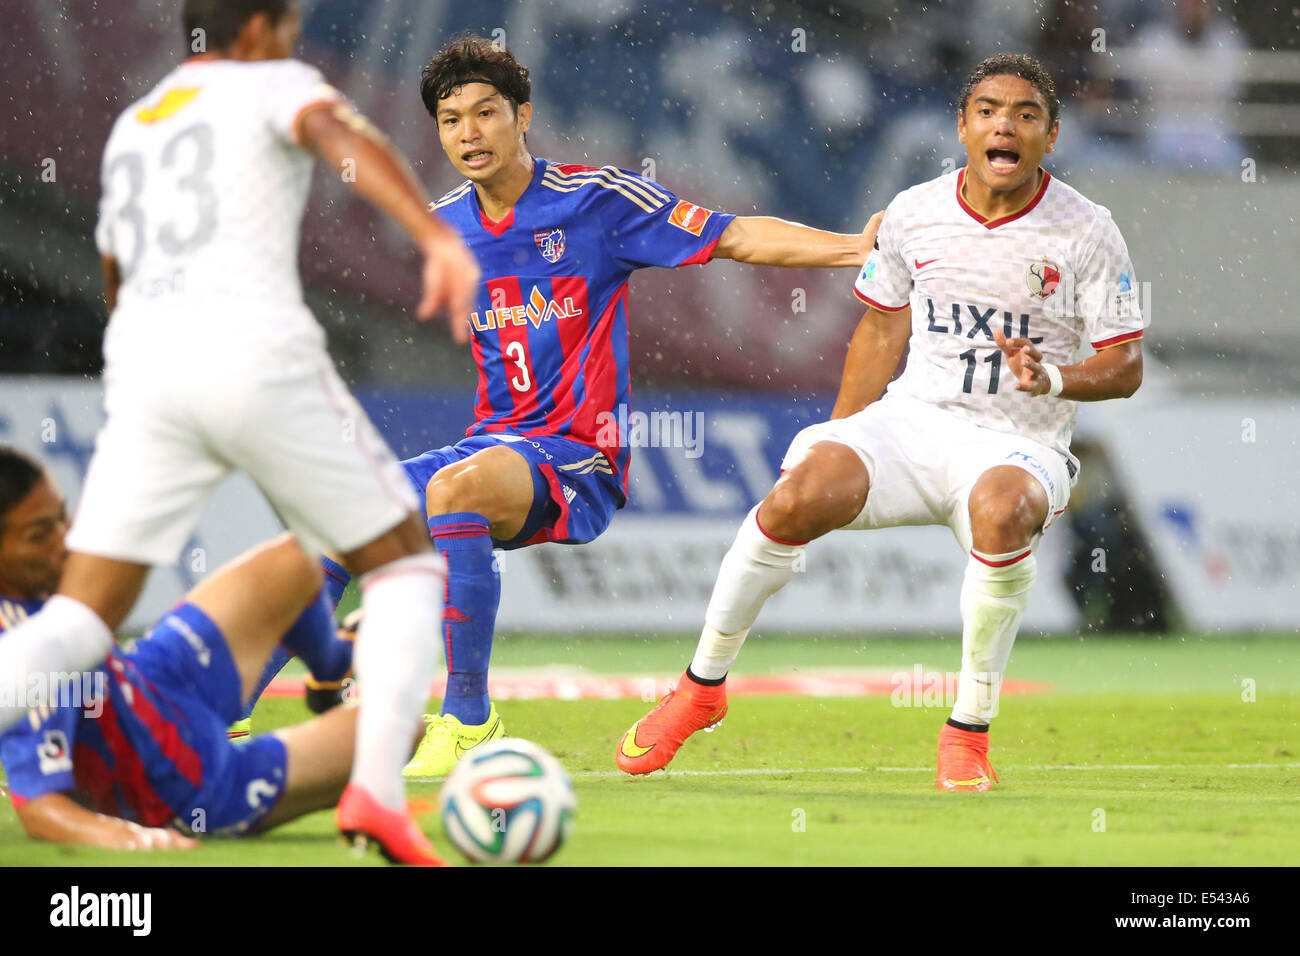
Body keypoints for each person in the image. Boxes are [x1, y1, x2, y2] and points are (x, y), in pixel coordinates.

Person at [292, 35, 884, 778]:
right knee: (333, 511)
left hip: (579, 456)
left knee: (454, 491)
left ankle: (469, 720)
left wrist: (847, 249)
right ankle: (240, 718)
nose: (469, 134)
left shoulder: (595, 202)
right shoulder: (441, 224)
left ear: (524, 116)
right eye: (450, 120)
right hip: (493, 446)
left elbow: (731, 236)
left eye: (486, 113)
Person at [0, 0, 479, 864]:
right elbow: (340, 139)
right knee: (404, 562)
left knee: (77, 622)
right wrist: (433, 235)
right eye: (290, 25)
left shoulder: (137, 123)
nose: (296, 41)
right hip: (254, 352)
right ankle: (375, 794)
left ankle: (347, 715)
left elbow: (116, 269)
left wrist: (154, 361)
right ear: (258, 28)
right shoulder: (272, 83)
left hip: (146, 368)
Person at [616, 53, 1145, 790]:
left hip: (1020, 444)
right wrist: (840, 441)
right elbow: (879, 332)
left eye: (1026, 114)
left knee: (1000, 514)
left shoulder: (1087, 230)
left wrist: (1052, 375)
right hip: (912, 423)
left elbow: (1125, 367)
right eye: (989, 109)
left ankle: (967, 730)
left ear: (1050, 137)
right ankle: (700, 690)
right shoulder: (914, 211)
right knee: (797, 495)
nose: (1005, 124)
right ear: (963, 126)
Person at [0, 449, 414, 858]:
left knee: (297, 560)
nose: (66, 540)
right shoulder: (25, 654)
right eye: (41, 534)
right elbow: (40, 807)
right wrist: (129, 836)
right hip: (182, 782)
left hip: (154, 674)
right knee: (400, 725)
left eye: (62, 517)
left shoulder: (40, 587)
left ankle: (332, 672)